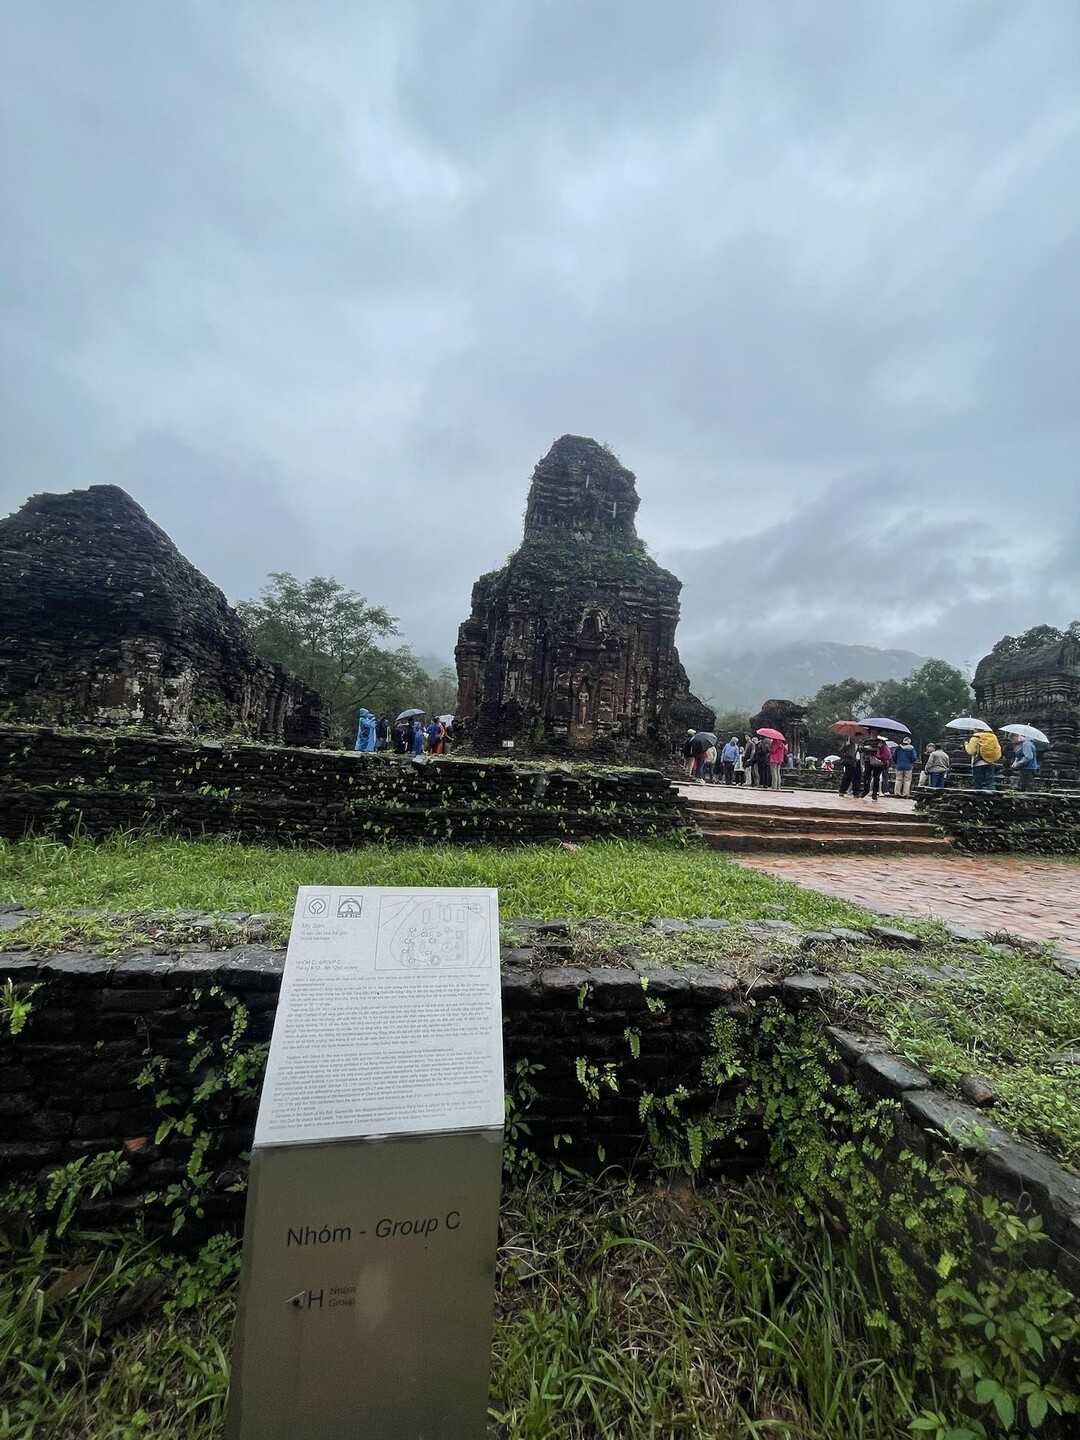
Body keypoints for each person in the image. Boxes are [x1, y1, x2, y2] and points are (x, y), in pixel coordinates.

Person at [860, 733, 891, 801]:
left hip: (878, 762)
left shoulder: (881, 742)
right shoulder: (866, 741)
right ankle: (865, 790)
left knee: (876, 778)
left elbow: (885, 751)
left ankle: (874, 794)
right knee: (866, 777)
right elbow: (860, 749)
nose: (874, 733)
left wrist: (878, 747)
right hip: (868, 761)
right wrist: (865, 747)